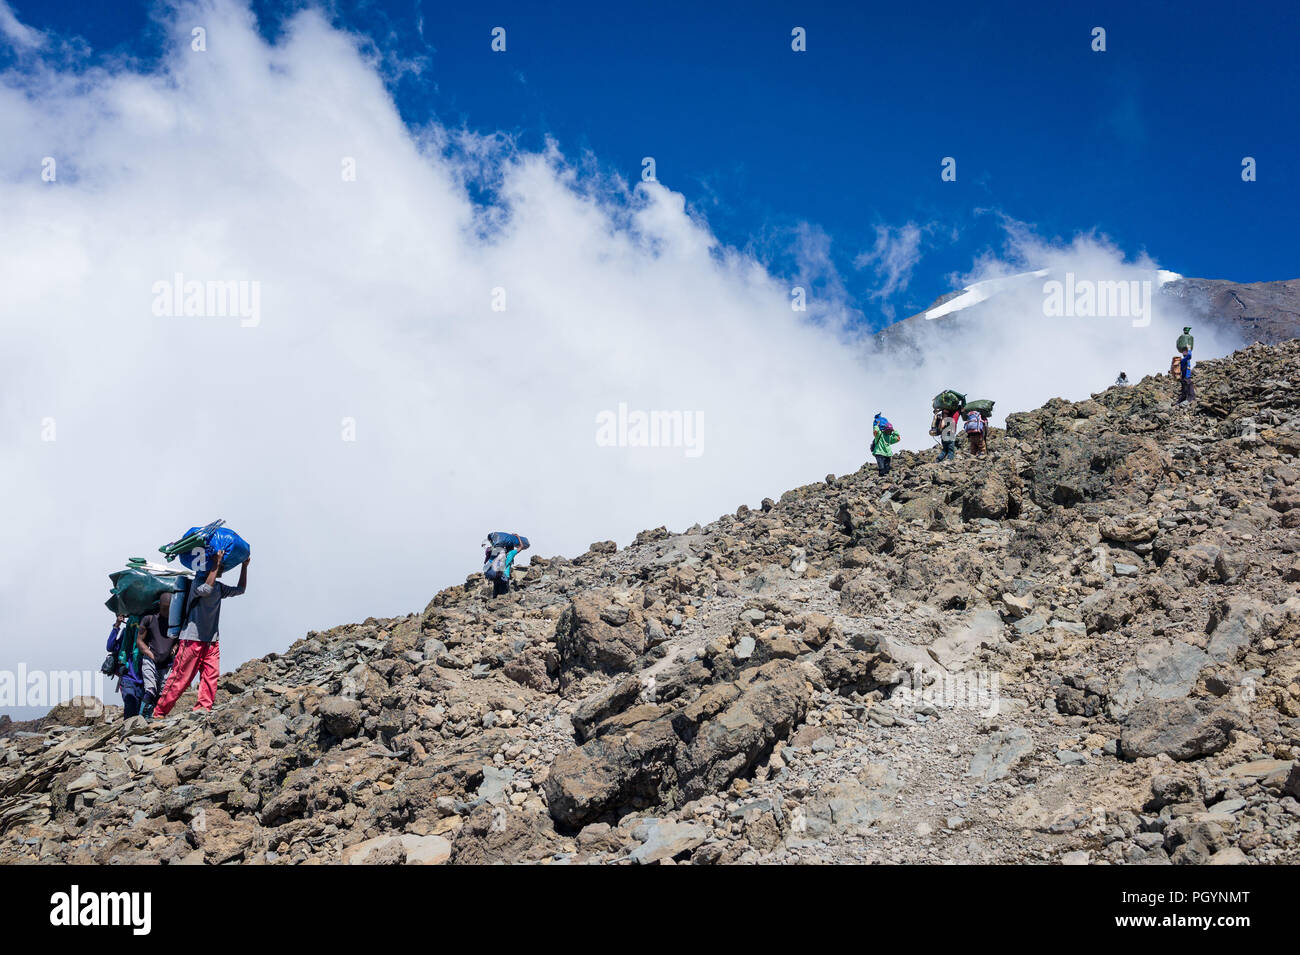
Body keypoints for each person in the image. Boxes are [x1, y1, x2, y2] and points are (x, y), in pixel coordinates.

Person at [154, 550, 248, 717]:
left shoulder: (219, 587)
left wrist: (244, 567)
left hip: (211, 641)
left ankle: (203, 710)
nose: (221, 570)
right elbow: (206, 590)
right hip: (191, 639)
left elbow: (240, 590)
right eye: (219, 567)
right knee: (180, 680)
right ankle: (159, 712)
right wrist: (216, 564)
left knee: (210, 677)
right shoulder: (197, 583)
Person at [135, 593, 178, 719]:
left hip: (167, 664)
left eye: (169, 608)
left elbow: (179, 640)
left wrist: (175, 648)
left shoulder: (176, 623)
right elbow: (139, 641)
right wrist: (149, 653)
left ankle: (155, 717)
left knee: (163, 693)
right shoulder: (149, 619)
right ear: (159, 605)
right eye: (164, 608)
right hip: (150, 660)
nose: (166, 611)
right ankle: (141, 718)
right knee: (150, 690)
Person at [106, 613, 144, 718]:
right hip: (127, 678)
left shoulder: (148, 637)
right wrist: (117, 625)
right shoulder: (125, 636)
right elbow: (110, 646)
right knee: (131, 708)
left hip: (144, 680)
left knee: (142, 712)